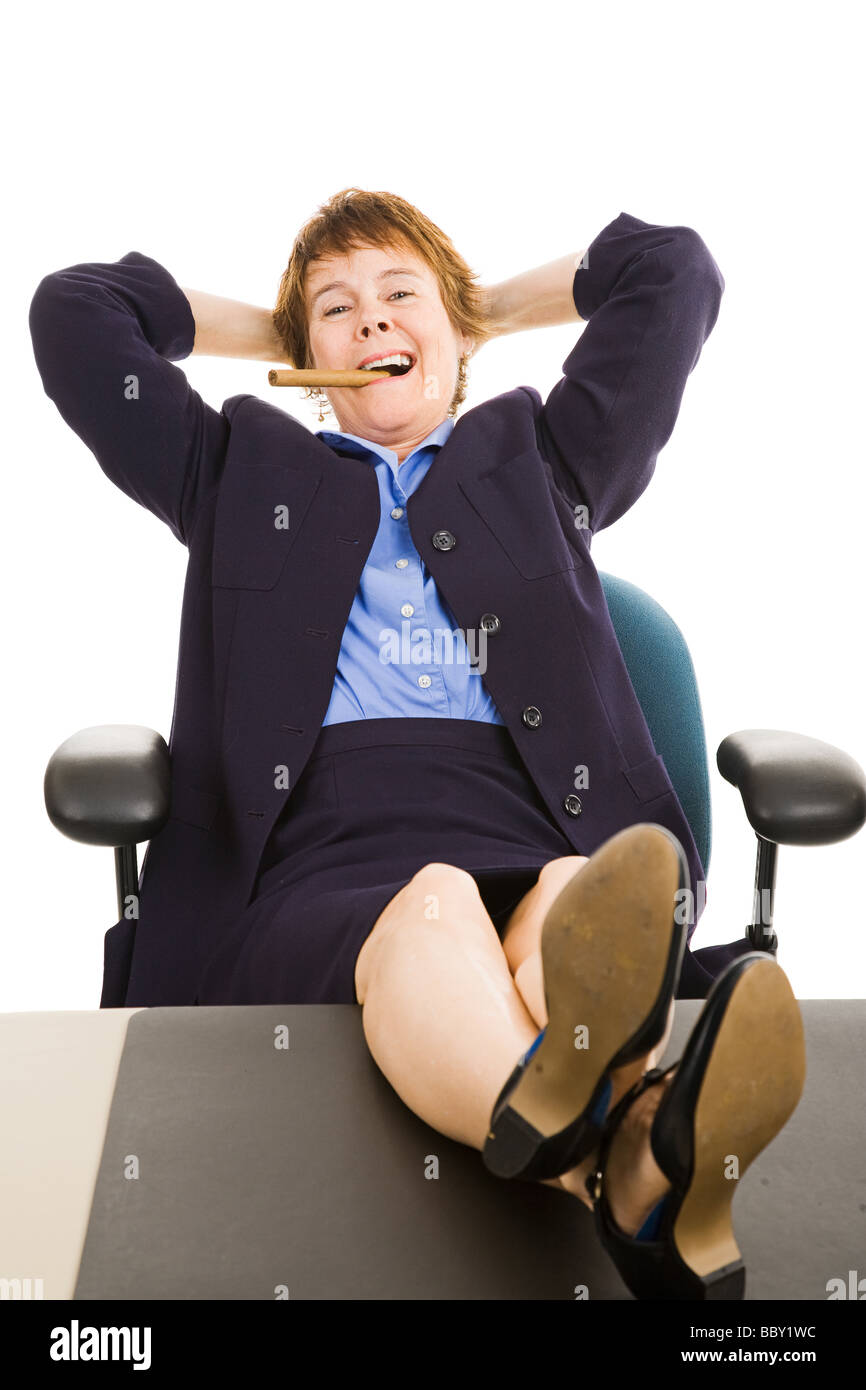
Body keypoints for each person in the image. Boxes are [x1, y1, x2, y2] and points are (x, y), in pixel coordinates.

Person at [29, 188, 805, 1298]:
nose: (372, 322)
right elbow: (76, 312)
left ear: (456, 334)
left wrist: (474, 305)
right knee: (434, 901)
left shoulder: (540, 464)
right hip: (318, 858)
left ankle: (617, 1159)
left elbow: (671, 272)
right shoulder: (236, 470)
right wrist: (285, 332)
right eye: (337, 309)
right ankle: (621, 1151)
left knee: (580, 898)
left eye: (402, 297)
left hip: (538, 816)